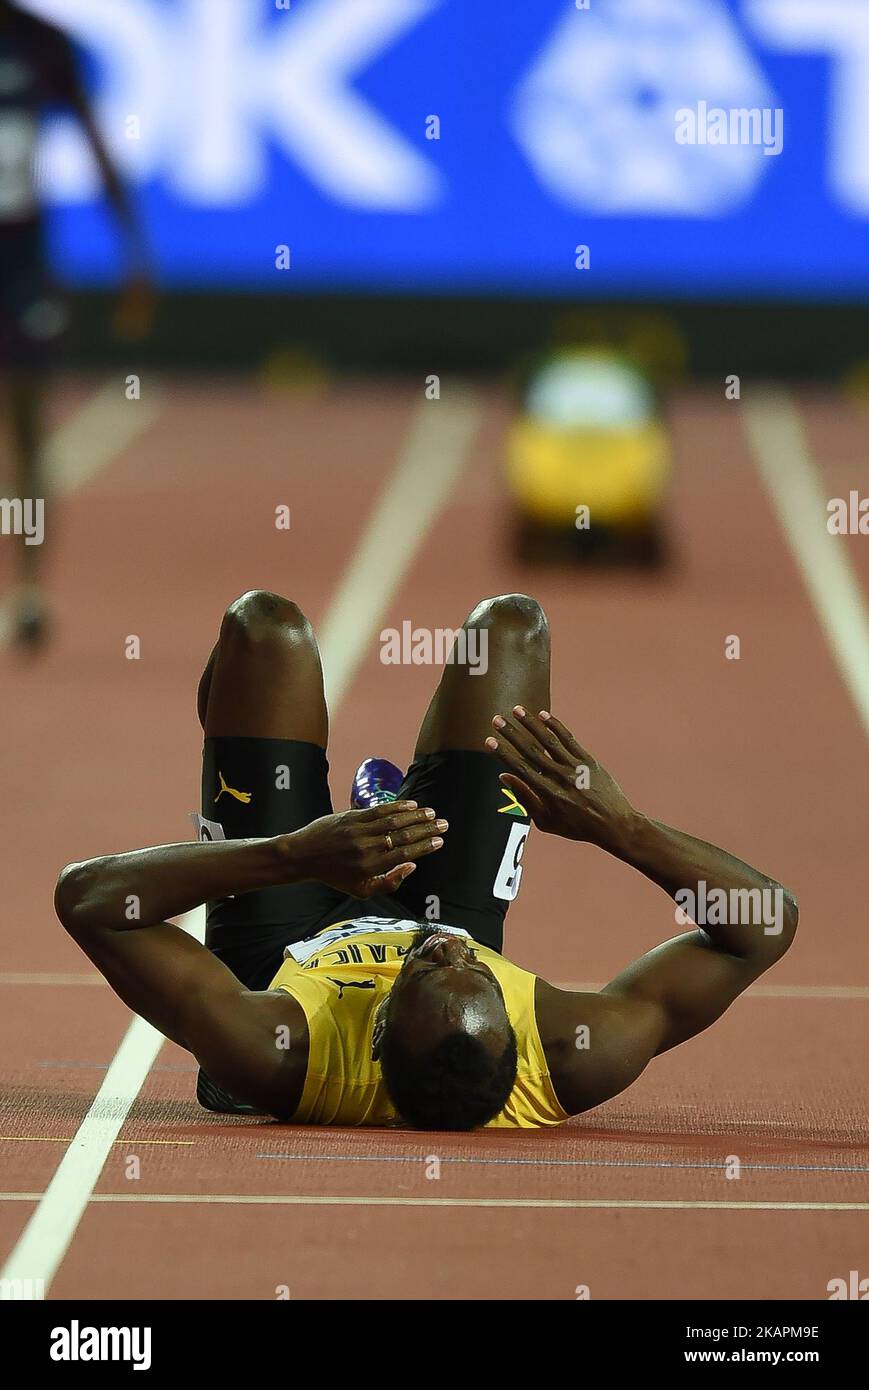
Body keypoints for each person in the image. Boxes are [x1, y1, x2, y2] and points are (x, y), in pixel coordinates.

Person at [55, 590, 798, 1130]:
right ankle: (389, 809)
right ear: (515, 1031)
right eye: (470, 970)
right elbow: (765, 924)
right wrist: (618, 826)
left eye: (426, 966)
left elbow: (86, 900)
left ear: (375, 1034)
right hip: (440, 895)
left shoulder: (276, 1052)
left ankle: (279, 788)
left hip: (283, 963)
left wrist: (291, 852)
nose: (444, 951)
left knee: (262, 629)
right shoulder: (569, 1050)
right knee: (509, 629)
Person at [0, 0, 151, 644]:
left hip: (22, 256)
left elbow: (94, 143)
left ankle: (29, 589)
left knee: (29, 425)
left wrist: (134, 250)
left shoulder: (44, 44)